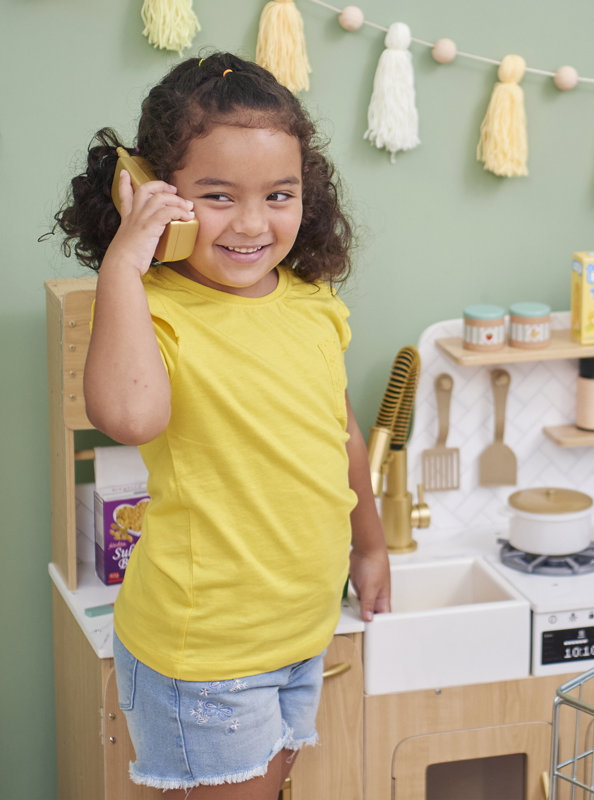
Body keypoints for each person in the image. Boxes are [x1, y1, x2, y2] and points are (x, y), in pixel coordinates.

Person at [55, 51, 391, 799]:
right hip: (207, 647)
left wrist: (370, 545)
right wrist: (122, 266)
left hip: (300, 629)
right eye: (216, 195)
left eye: (279, 194)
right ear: (153, 194)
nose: (251, 223)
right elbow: (129, 415)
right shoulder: (153, 310)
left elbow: (338, 433)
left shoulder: (309, 301)